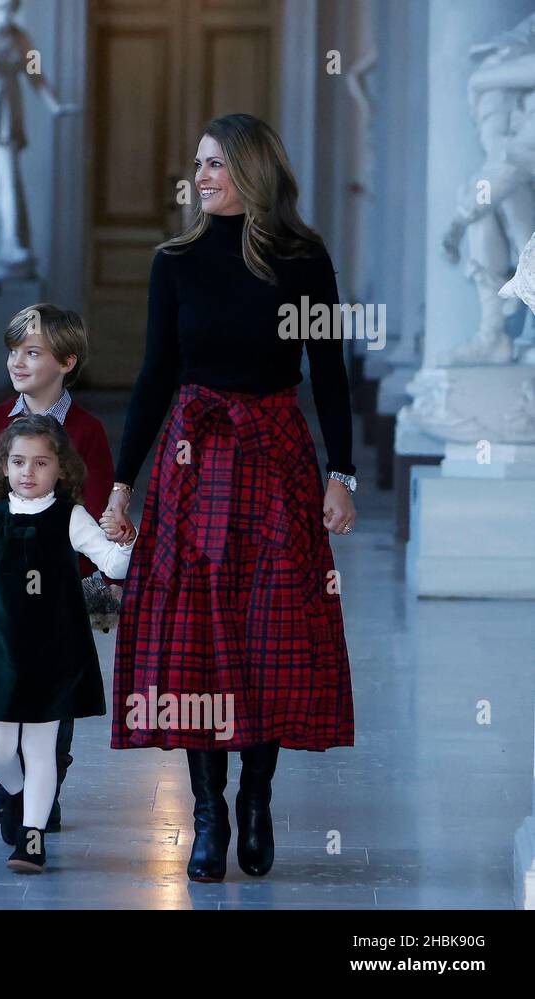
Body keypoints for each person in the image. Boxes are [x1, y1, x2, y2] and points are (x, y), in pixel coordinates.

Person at [100, 113, 357, 882]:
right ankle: (206, 810)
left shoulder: (304, 259)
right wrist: (122, 480)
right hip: (193, 460)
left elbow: (330, 371)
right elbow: (152, 376)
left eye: (216, 164)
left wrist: (340, 475)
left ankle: (256, 800)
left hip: (276, 456)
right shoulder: (174, 260)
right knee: (199, 637)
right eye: (200, 164)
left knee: (269, 628)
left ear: (253, 172)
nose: (201, 176)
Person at [0, 415, 134, 873]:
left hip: (53, 653)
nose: (28, 472)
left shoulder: (69, 517)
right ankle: (19, 797)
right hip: (0, 653)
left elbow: (113, 563)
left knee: (41, 750)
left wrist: (126, 537)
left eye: (41, 462)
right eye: (19, 461)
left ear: (61, 469)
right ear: (3, 466)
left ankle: (32, 838)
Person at [0, 302, 119, 831]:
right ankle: (10, 778)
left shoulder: (85, 430)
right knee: (9, 673)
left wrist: (104, 587)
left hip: (67, 583)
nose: (17, 361)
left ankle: (49, 782)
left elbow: (97, 510)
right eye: (13, 350)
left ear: (66, 361)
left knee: (54, 690)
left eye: (32, 351)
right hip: (7, 587)